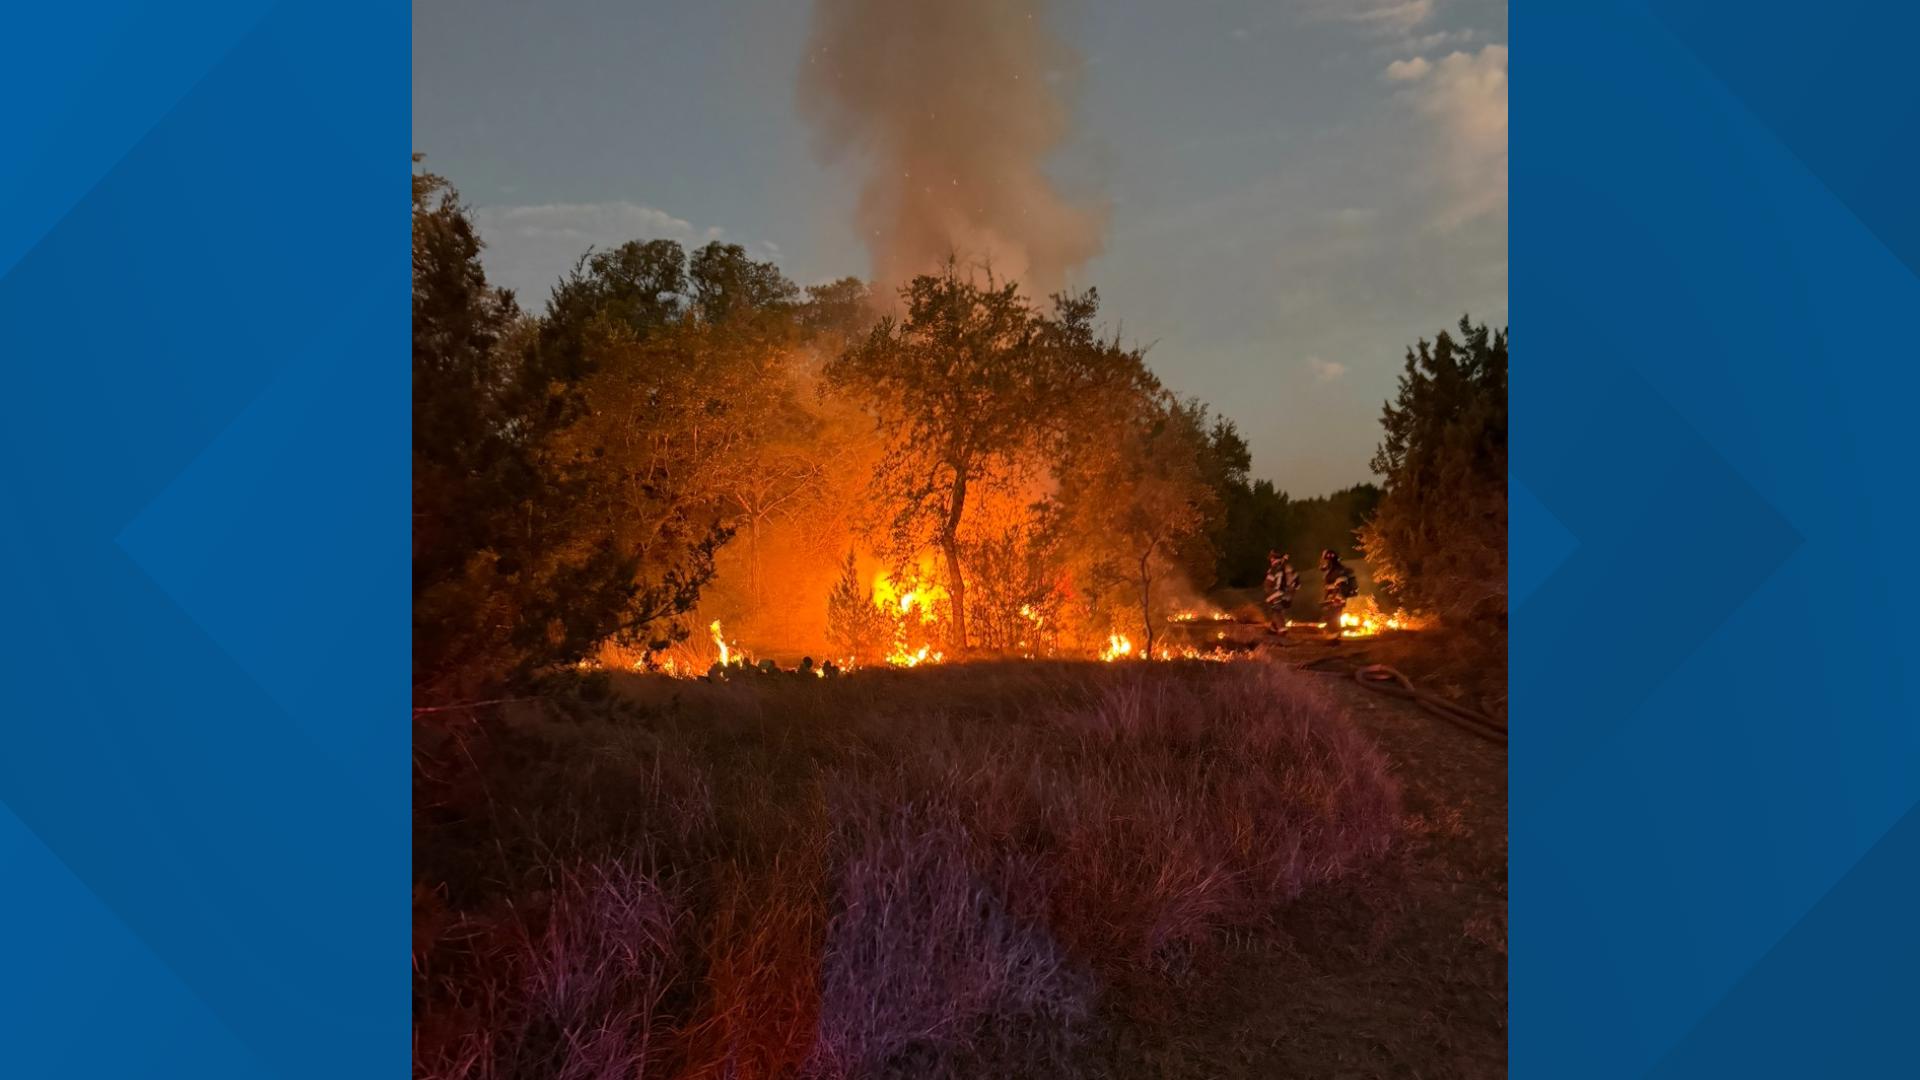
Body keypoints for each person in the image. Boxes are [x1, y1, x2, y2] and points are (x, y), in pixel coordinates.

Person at [1320, 548, 1358, 630]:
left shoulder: (1338, 570)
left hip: (1336, 597)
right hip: (1334, 597)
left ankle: (1333, 637)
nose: (1324, 563)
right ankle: (1333, 636)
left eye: (1325, 560)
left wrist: (1336, 595)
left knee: (1333, 617)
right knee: (1332, 617)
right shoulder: (1333, 570)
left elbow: (1341, 583)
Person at [1263, 550, 1300, 633]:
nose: (1270, 560)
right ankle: (1273, 628)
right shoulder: (1288, 567)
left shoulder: (1275, 568)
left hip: (1278, 593)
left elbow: (1269, 583)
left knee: (1276, 610)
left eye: (1271, 558)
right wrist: (1292, 591)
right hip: (1289, 594)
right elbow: (1297, 582)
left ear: (1273, 558)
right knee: (1279, 609)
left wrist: (1269, 595)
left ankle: (1282, 629)